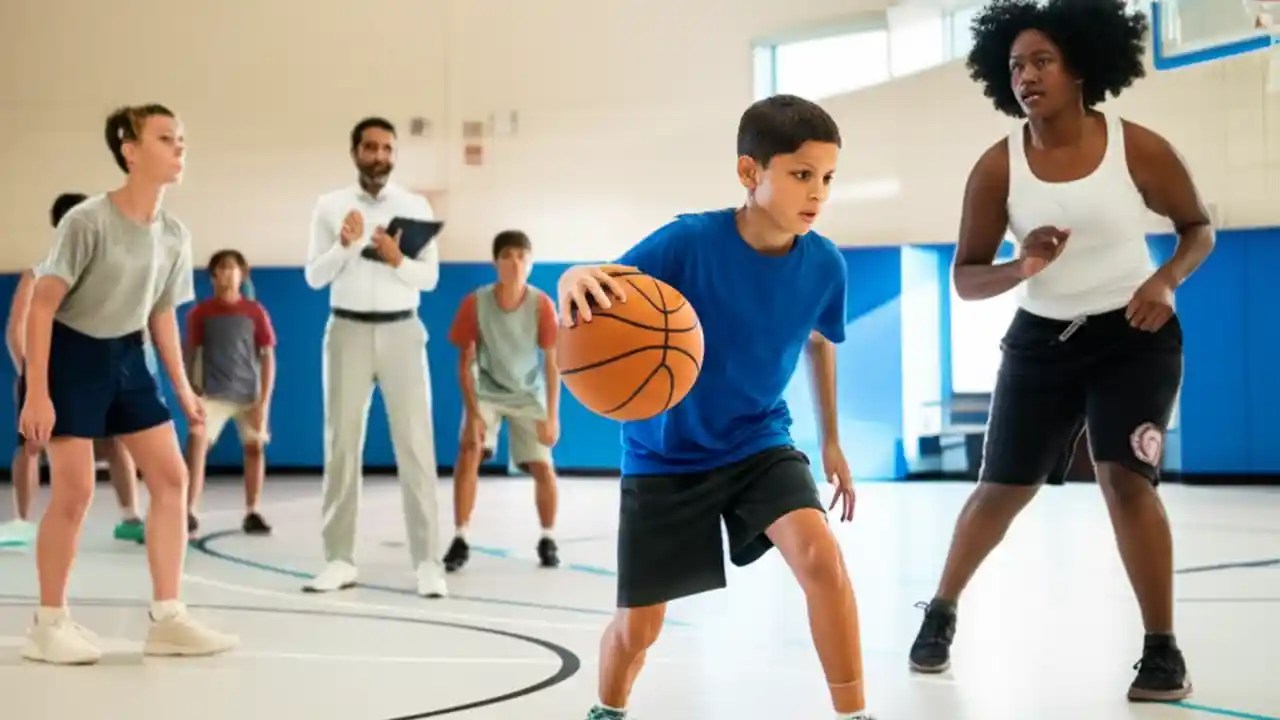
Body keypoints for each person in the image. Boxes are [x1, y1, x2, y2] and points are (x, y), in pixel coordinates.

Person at [907, 0, 1214, 703]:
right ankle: (942, 613)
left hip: (1135, 334)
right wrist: (1019, 268)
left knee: (1123, 480)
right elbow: (964, 277)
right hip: (1042, 342)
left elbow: (1197, 228)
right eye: (1015, 65)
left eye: (1042, 60)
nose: (1027, 76)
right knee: (1001, 488)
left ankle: (1162, 651)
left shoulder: (1138, 146)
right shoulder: (996, 168)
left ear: (1081, 68)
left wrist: (1165, 281)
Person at [560, 95, 873, 720]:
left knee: (821, 556)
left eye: (828, 178)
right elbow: (601, 284)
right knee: (638, 629)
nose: (818, 193)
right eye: (802, 174)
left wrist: (832, 440)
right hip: (664, 454)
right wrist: (571, 277)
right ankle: (608, 710)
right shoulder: (688, 241)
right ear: (750, 173)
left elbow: (819, 343)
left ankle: (854, 714)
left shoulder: (825, 265)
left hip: (758, 441)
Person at [18, 103, 238, 664]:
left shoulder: (174, 234)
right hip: (70, 355)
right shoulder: (87, 221)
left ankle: (168, 618)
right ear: (131, 151)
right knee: (76, 491)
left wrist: (184, 391)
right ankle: (49, 624)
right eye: (166, 138)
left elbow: (161, 315)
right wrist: (38, 391)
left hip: (128, 355)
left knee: (170, 477)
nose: (179, 148)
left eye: (182, 139)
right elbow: (42, 308)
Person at [303, 116, 446, 598]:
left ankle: (428, 562)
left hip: (403, 330)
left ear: (395, 154)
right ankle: (338, 559)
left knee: (416, 448)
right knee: (341, 446)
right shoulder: (330, 206)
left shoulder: (414, 205)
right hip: (346, 331)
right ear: (355, 151)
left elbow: (429, 280)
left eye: (387, 148)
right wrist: (345, 246)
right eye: (370, 147)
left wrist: (396, 258)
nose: (379, 156)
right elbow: (313, 277)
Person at [0, 192, 145, 549]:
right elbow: (16, 331)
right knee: (32, 445)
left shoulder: (107, 272)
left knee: (116, 443)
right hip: (47, 377)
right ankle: (22, 521)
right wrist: (34, 379)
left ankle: (130, 517)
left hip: (99, 374)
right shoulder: (37, 273)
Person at [444, 229, 561, 572]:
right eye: (508, 255)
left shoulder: (541, 304)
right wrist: (473, 415)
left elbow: (553, 363)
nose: (515, 262)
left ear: (531, 263)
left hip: (528, 393)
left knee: (543, 467)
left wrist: (553, 416)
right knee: (469, 452)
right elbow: (465, 363)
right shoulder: (475, 303)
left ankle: (548, 537)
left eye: (522, 256)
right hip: (487, 392)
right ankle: (461, 537)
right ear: (496, 262)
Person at [185, 249, 277, 535]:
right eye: (220, 269)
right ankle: (188, 510)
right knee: (197, 445)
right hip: (212, 394)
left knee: (254, 447)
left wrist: (263, 401)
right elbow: (190, 354)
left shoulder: (255, 312)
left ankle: (253, 511)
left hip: (248, 395)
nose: (226, 274)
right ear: (212, 276)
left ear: (242, 274)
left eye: (232, 268)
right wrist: (192, 392)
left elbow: (267, 357)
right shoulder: (201, 313)